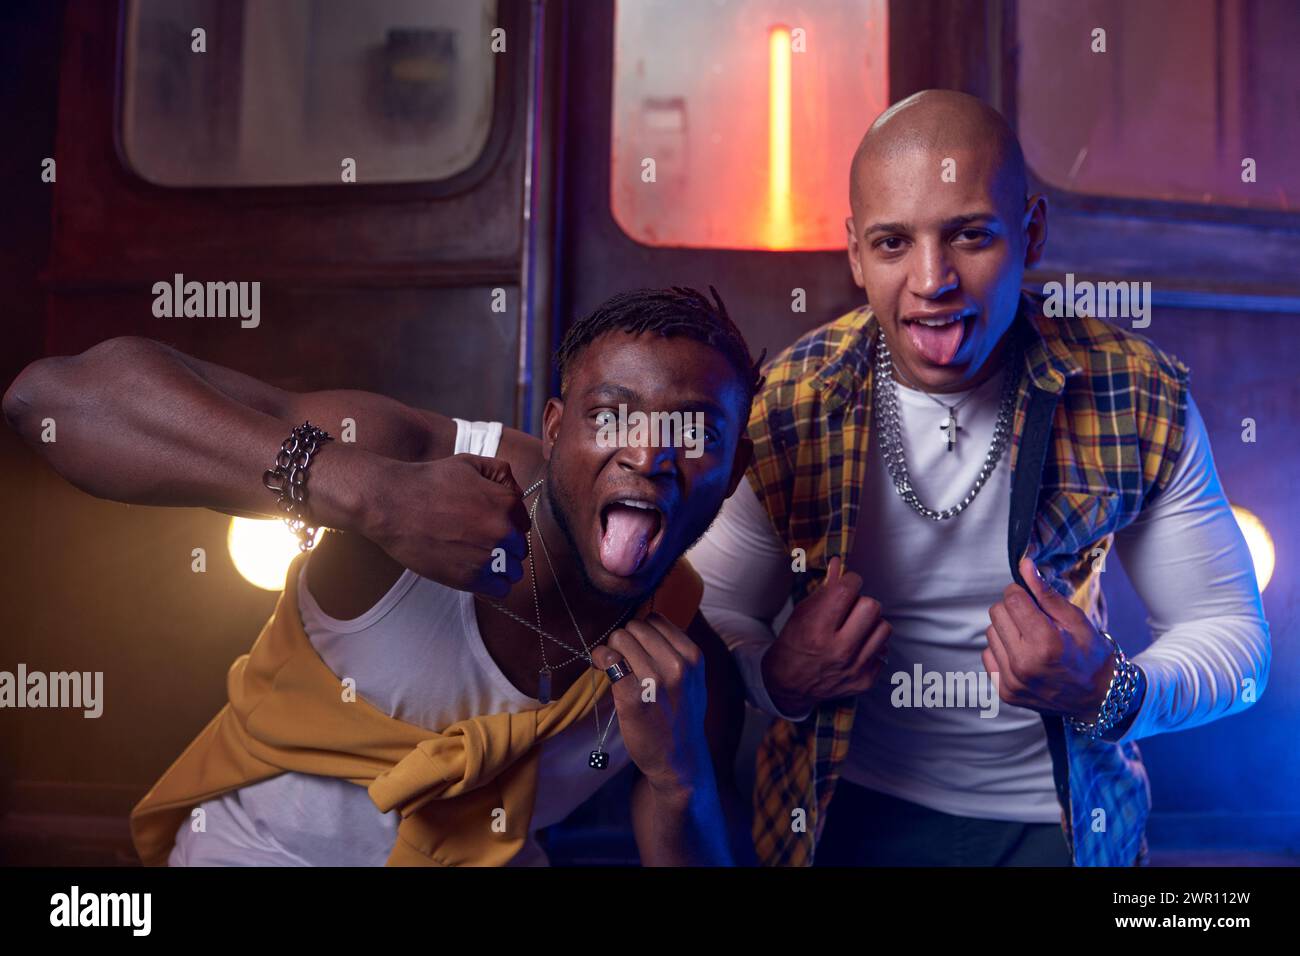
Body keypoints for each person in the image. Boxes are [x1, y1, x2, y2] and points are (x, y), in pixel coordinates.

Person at [686, 90, 1270, 866]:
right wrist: (780, 677)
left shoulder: (1131, 392)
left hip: (1061, 824)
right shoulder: (789, 405)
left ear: (1030, 233)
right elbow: (706, 620)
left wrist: (1109, 690)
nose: (932, 280)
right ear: (855, 253)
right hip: (839, 810)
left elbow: (1236, 642)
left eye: (968, 235)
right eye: (894, 244)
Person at [4, 286, 760, 866]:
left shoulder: (685, 653)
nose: (649, 455)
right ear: (557, 427)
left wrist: (679, 777)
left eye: (696, 433)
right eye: (613, 415)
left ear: (731, 477)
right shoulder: (416, 459)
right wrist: (370, 493)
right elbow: (54, 399)